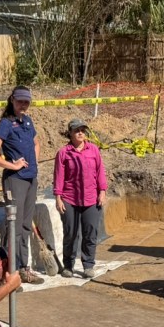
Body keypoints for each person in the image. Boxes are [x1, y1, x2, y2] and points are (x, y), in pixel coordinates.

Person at [0, 85, 44, 283]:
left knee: (26, 226)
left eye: (26, 102)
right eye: (20, 101)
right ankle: (9, 273)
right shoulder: (6, 123)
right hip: (15, 180)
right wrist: (12, 165)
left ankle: (23, 269)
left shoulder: (27, 121)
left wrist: (33, 163)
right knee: (15, 227)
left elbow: (37, 142)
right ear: (12, 100)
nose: (23, 105)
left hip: (30, 179)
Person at [53, 118, 108, 278]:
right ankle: (68, 265)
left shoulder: (94, 150)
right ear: (70, 133)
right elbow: (59, 176)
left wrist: (102, 191)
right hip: (70, 198)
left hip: (91, 198)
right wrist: (58, 197)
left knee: (90, 232)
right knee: (71, 233)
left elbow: (100, 172)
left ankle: (88, 264)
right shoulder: (64, 153)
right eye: (77, 130)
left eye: (83, 130)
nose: (80, 133)